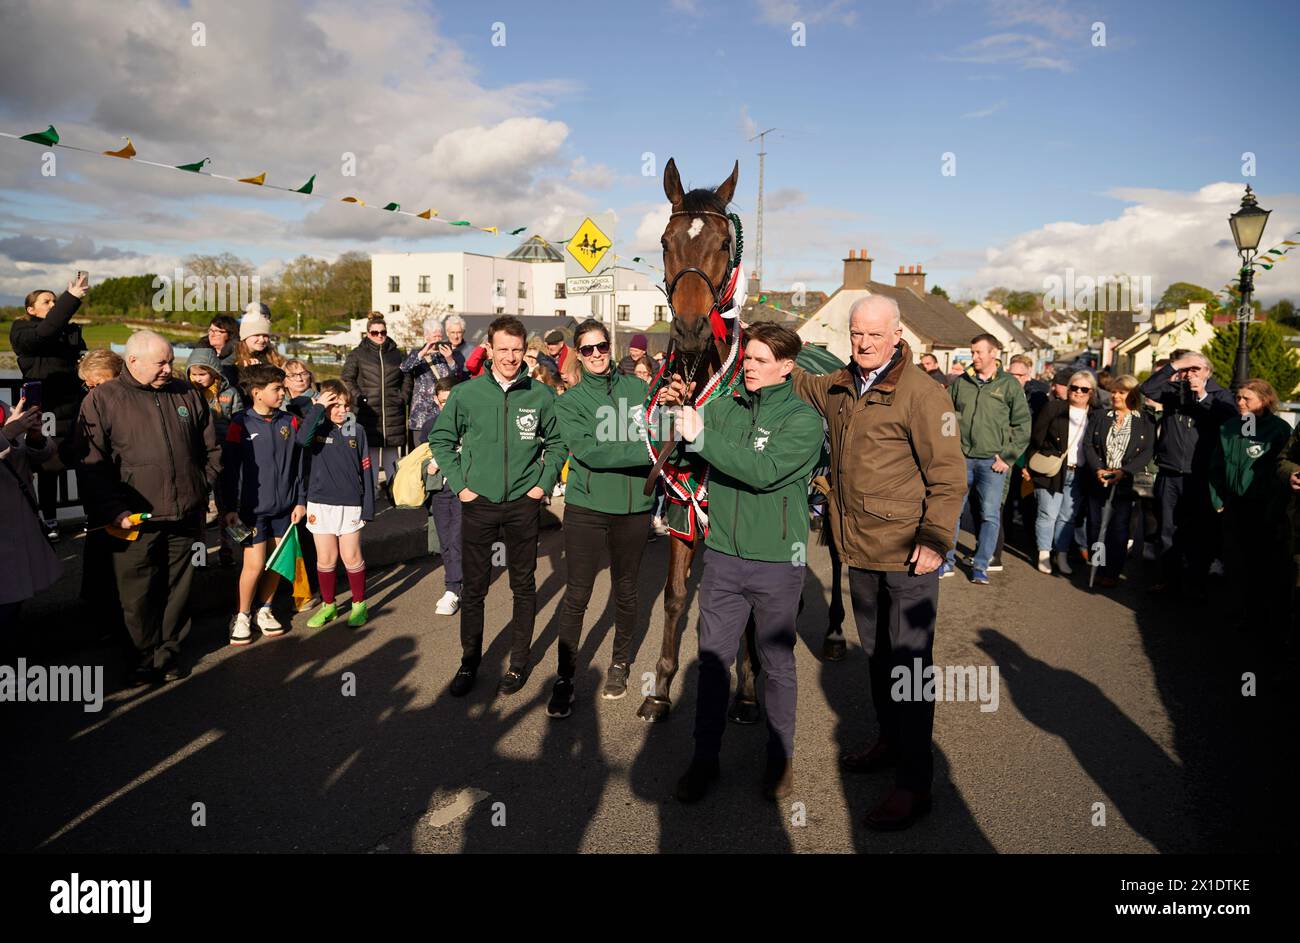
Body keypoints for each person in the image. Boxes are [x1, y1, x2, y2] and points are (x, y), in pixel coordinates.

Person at [784, 295, 965, 830]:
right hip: (858, 551)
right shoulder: (840, 383)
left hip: (909, 556)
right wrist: (745, 342)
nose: (862, 344)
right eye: (856, 334)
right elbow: (794, 379)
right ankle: (890, 743)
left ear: (896, 333)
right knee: (880, 659)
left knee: (910, 671)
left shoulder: (923, 395)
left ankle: (915, 786)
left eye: (873, 335)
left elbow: (949, 475)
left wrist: (935, 538)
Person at [662, 323, 822, 802]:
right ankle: (704, 760)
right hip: (725, 559)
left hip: (778, 561)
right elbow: (693, 457)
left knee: (776, 665)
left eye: (759, 360)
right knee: (713, 662)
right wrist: (674, 418)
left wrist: (703, 438)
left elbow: (764, 471)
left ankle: (780, 761)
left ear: (787, 366)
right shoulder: (726, 407)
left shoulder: (804, 420)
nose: (749, 366)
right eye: (746, 358)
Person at [428, 315, 566, 697]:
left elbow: (556, 443)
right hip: (479, 503)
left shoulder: (540, 395)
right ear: (488, 349)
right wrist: (461, 486)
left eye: (516, 350)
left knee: (523, 585)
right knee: (474, 589)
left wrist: (541, 485)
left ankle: (518, 663)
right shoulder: (466, 394)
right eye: (502, 349)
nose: (509, 357)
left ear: (526, 351)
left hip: (524, 503)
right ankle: (469, 662)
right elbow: (441, 440)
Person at [78, 330, 220, 684]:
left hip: (184, 511)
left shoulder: (186, 393)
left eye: (172, 361)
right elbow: (90, 461)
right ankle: (142, 656)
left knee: (178, 589)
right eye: (161, 363)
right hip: (132, 518)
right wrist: (113, 509)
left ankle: (168, 653)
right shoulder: (104, 398)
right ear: (133, 362)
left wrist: (201, 486)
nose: (169, 369)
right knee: (137, 592)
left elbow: (212, 450)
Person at [547, 319, 654, 718]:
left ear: (612, 346)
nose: (596, 354)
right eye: (587, 349)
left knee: (626, 592)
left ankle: (620, 664)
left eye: (602, 346)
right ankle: (564, 676)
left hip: (633, 509)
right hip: (587, 509)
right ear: (578, 352)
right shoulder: (568, 402)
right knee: (578, 594)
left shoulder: (639, 389)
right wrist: (646, 453)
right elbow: (590, 452)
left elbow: (661, 432)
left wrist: (657, 441)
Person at [220, 364, 305, 645]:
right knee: (254, 565)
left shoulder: (289, 421)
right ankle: (242, 614)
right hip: (251, 511)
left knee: (276, 563)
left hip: (285, 507)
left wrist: (300, 500)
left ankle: (265, 610)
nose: (283, 392)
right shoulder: (239, 423)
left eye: (283, 387)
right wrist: (228, 507)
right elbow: (229, 469)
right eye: (277, 389)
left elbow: (299, 466)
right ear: (257, 393)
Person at [1140, 351, 1236, 592]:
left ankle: (1196, 584)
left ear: (1208, 372)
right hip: (1170, 472)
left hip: (1200, 475)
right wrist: (1174, 366)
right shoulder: (1174, 391)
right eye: (1188, 369)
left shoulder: (1220, 394)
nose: (1190, 373)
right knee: (1167, 530)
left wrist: (1201, 396)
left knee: (1199, 532)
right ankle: (1169, 580)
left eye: (1196, 369)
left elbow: (1229, 419)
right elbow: (1147, 389)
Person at [944, 333, 1031, 583]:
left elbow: (1023, 424)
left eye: (978, 352)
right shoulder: (962, 382)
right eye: (972, 352)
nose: (974, 357)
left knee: (990, 515)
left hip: (993, 463)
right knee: (952, 512)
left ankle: (981, 566)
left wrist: (1008, 456)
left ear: (994, 353)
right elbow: (947, 416)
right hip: (961, 459)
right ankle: (947, 561)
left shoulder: (1009, 385)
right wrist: (950, 448)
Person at [11, 274, 90, 538]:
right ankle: (51, 521)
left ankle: (92, 515)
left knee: (86, 464)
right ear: (30, 310)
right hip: (46, 412)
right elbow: (44, 334)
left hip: (74, 408)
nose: (53, 305)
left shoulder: (68, 330)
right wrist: (72, 298)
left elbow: (82, 359)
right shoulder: (22, 331)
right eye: (47, 302)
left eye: (56, 300)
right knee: (48, 469)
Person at [1209, 379, 1291, 628]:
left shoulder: (1278, 430)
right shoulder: (1230, 427)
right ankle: (1236, 610)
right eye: (1239, 398)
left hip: (1264, 506)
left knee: (1261, 561)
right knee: (1234, 559)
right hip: (1235, 505)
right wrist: (1217, 497)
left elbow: (1282, 468)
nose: (1240, 402)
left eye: (1247, 399)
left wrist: (1277, 506)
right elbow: (1217, 466)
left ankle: (1260, 614)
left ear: (1264, 401)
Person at [298, 380, 376, 629]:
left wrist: (368, 506)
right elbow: (301, 440)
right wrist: (318, 407)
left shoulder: (357, 430)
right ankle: (329, 606)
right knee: (326, 558)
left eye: (345, 405)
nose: (342, 410)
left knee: (351, 556)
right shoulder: (317, 426)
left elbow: (367, 469)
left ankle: (359, 604)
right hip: (320, 504)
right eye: (335, 405)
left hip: (351, 504)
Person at [1081, 375, 1155, 587]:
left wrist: (1125, 471)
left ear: (1132, 395)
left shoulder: (1144, 420)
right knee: (1096, 526)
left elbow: (1147, 452)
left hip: (1124, 481)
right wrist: (1097, 468)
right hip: (1100, 478)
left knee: (1119, 527)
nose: (1115, 396)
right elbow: (1089, 445)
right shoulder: (1100, 416)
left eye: (1121, 392)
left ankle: (1112, 571)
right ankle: (1097, 566)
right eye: (1114, 391)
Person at [0, 396, 62, 634]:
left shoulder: (5, 408)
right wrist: (6, 434)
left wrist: (36, 439)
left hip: (17, 519)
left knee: (12, 598)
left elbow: (41, 455)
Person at [1026, 369, 1097, 575]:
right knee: (1047, 513)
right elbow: (1036, 437)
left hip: (1080, 472)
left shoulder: (1095, 414)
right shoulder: (1054, 408)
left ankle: (1062, 554)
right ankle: (1044, 554)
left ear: (1091, 392)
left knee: (1068, 517)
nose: (1078, 392)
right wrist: (1029, 465)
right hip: (1052, 470)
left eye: (1084, 389)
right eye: (1074, 387)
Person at [186, 346, 245, 567]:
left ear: (215, 372)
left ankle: (235, 548)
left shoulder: (230, 394)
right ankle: (198, 558)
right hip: (199, 458)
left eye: (203, 374)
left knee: (228, 505)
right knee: (199, 510)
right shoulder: (188, 394)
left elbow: (239, 422)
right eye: (194, 374)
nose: (198, 378)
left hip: (226, 456)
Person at [342, 315, 411, 492]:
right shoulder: (357, 354)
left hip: (392, 411)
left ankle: (395, 491)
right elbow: (347, 378)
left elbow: (407, 377)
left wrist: (402, 397)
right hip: (368, 412)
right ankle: (371, 491)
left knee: (391, 454)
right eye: (375, 332)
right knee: (370, 453)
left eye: (383, 332)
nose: (380, 336)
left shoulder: (397, 354)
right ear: (368, 333)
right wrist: (359, 397)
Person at [418, 376, 463, 616]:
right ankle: (455, 583)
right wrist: (429, 465)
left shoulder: (470, 423)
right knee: (445, 541)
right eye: (443, 401)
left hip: (464, 488)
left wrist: (444, 459)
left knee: (456, 538)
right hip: (439, 490)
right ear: (436, 400)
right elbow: (421, 457)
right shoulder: (429, 426)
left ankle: (452, 589)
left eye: (452, 400)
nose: (447, 405)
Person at [401, 322, 459, 438]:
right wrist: (422, 353)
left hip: (441, 411)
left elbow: (455, 378)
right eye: (434, 337)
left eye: (439, 337)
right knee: (421, 452)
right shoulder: (417, 354)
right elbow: (404, 367)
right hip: (421, 413)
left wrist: (450, 359)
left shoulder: (445, 355)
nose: (437, 340)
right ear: (426, 337)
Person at [191, 314, 241, 387]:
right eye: (210, 330)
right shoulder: (202, 349)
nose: (212, 334)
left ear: (230, 334)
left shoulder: (237, 354)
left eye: (217, 331)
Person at [234, 302, 286, 371]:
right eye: (257, 335)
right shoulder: (233, 359)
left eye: (265, 336)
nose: (262, 339)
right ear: (245, 336)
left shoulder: (275, 357)